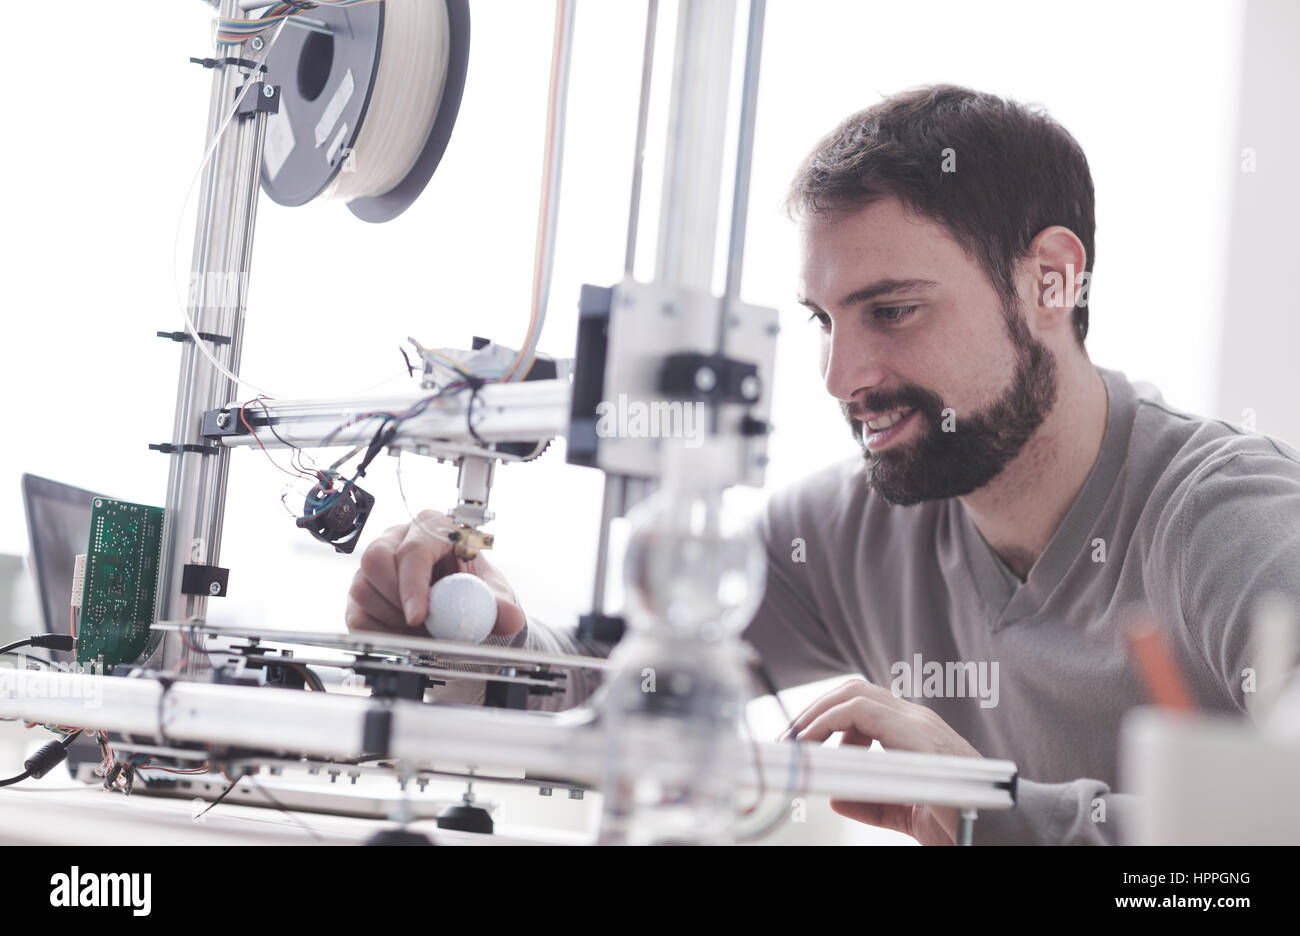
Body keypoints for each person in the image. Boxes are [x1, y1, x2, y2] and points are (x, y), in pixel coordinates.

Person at [344, 84, 1300, 845]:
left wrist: (987, 808)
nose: (844, 377)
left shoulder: (1229, 524)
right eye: (822, 321)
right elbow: (621, 685)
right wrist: (478, 639)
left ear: (1051, 277)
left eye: (892, 311)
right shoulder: (851, 531)